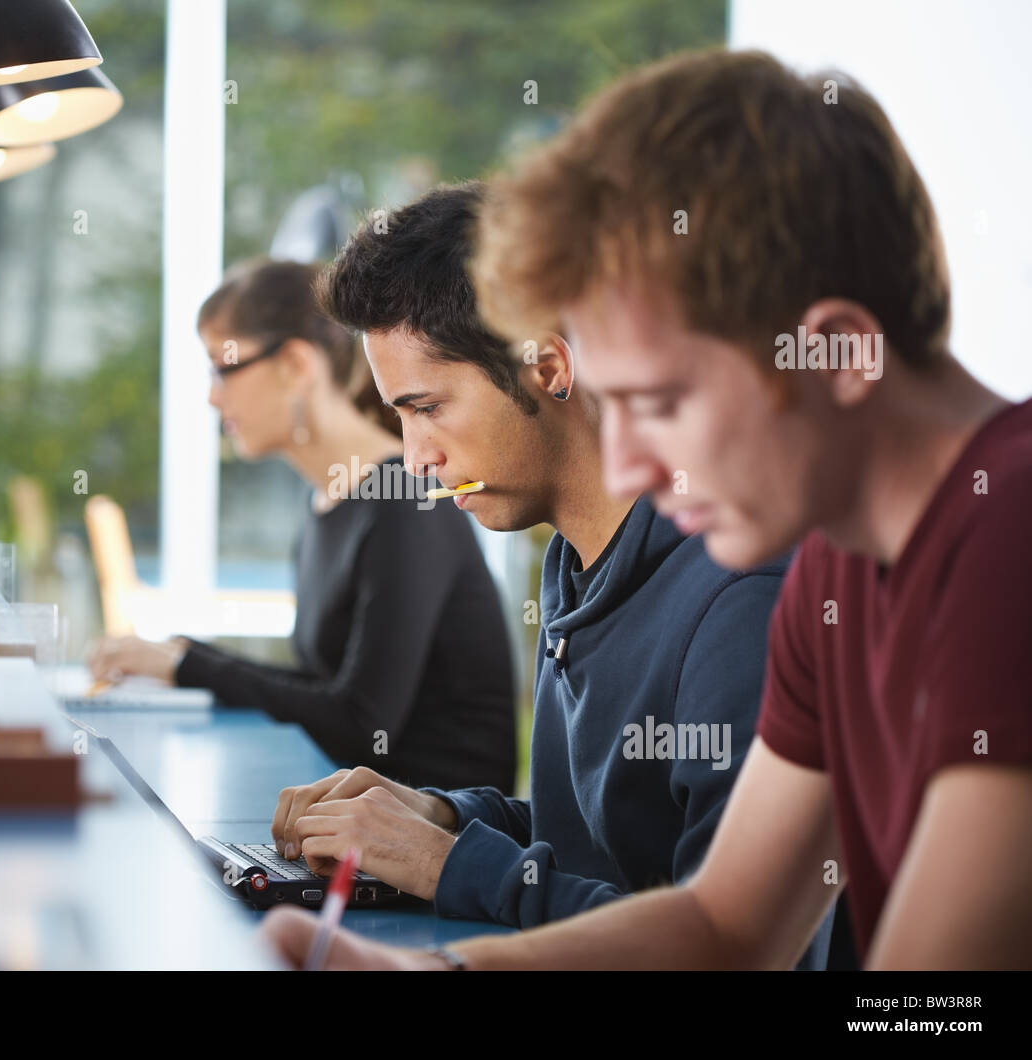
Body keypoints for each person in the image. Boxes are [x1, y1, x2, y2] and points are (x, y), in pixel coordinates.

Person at [261, 49, 1032, 970]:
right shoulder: (836, 566)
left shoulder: (1007, 537)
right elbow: (725, 927)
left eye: (659, 402)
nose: (626, 465)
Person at [266, 184, 837, 966]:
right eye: (399, 415)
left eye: (427, 407)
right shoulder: (575, 559)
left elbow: (728, 942)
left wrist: (450, 865)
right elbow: (598, 846)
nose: (417, 459)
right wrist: (441, 815)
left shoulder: (743, 595)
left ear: (549, 366)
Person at [89, 259, 516, 792]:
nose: (212, 396)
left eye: (223, 367)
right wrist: (182, 653)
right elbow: (323, 686)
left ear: (294, 364)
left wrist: (187, 666)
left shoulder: (405, 499)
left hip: (435, 827)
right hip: (355, 806)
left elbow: (362, 722)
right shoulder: (327, 500)